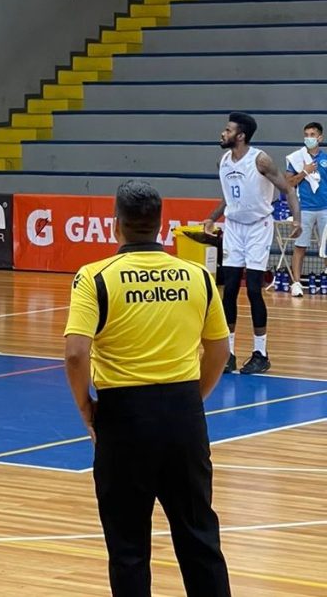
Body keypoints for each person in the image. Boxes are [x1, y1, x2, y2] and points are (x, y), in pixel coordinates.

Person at [64, 180, 232, 597]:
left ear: (115, 224)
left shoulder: (94, 277)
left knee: (128, 548)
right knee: (199, 539)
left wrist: (86, 406)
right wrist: (194, 398)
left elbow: (74, 354)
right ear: (160, 224)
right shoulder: (196, 276)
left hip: (124, 418)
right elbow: (220, 349)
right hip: (183, 415)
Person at [203, 112, 300, 374]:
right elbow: (229, 198)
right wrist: (212, 218)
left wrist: (297, 220)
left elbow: (288, 189)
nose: (223, 133)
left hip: (258, 227)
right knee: (230, 287)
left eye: (228, 129)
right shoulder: (224, 161)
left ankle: (261, 353)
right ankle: (229, 353)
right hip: (234, 227)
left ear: (241, 135)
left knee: (254, 289)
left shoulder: (260, 159)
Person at [285, 121, 327, 297]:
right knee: (300, 246)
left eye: (312, 135)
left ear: (320, 137)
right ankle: (296, 283)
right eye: (306, 135)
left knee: (326, 248)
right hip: (305, 209)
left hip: (325, 209)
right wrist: (304, 172)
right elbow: (288, 183)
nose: (309, 138)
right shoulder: (297, 159)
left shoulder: (325, 159)